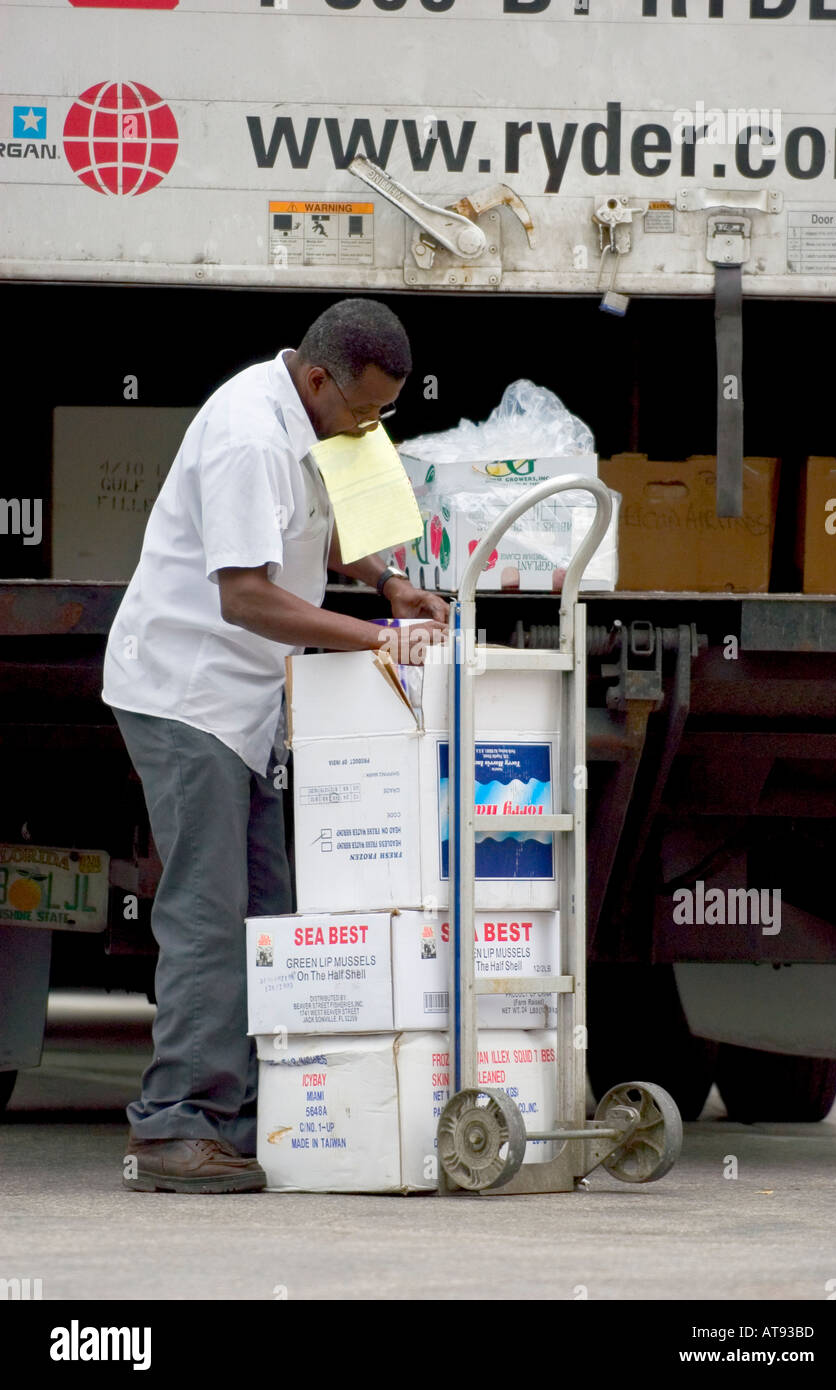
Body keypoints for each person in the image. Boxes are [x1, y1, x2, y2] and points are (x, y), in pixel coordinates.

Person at [102, 298, 448, 1194]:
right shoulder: (250, 435)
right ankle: (176, 1126)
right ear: (319, 379)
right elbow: (245, 597)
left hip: (245, 700)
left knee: (268, 912)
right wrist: (373, 636)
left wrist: (392, 582)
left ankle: (256, 1118)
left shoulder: (313, 421)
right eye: (366, 410)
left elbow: (321, 528)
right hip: (188, 694)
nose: (373, 428)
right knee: (210, 916)